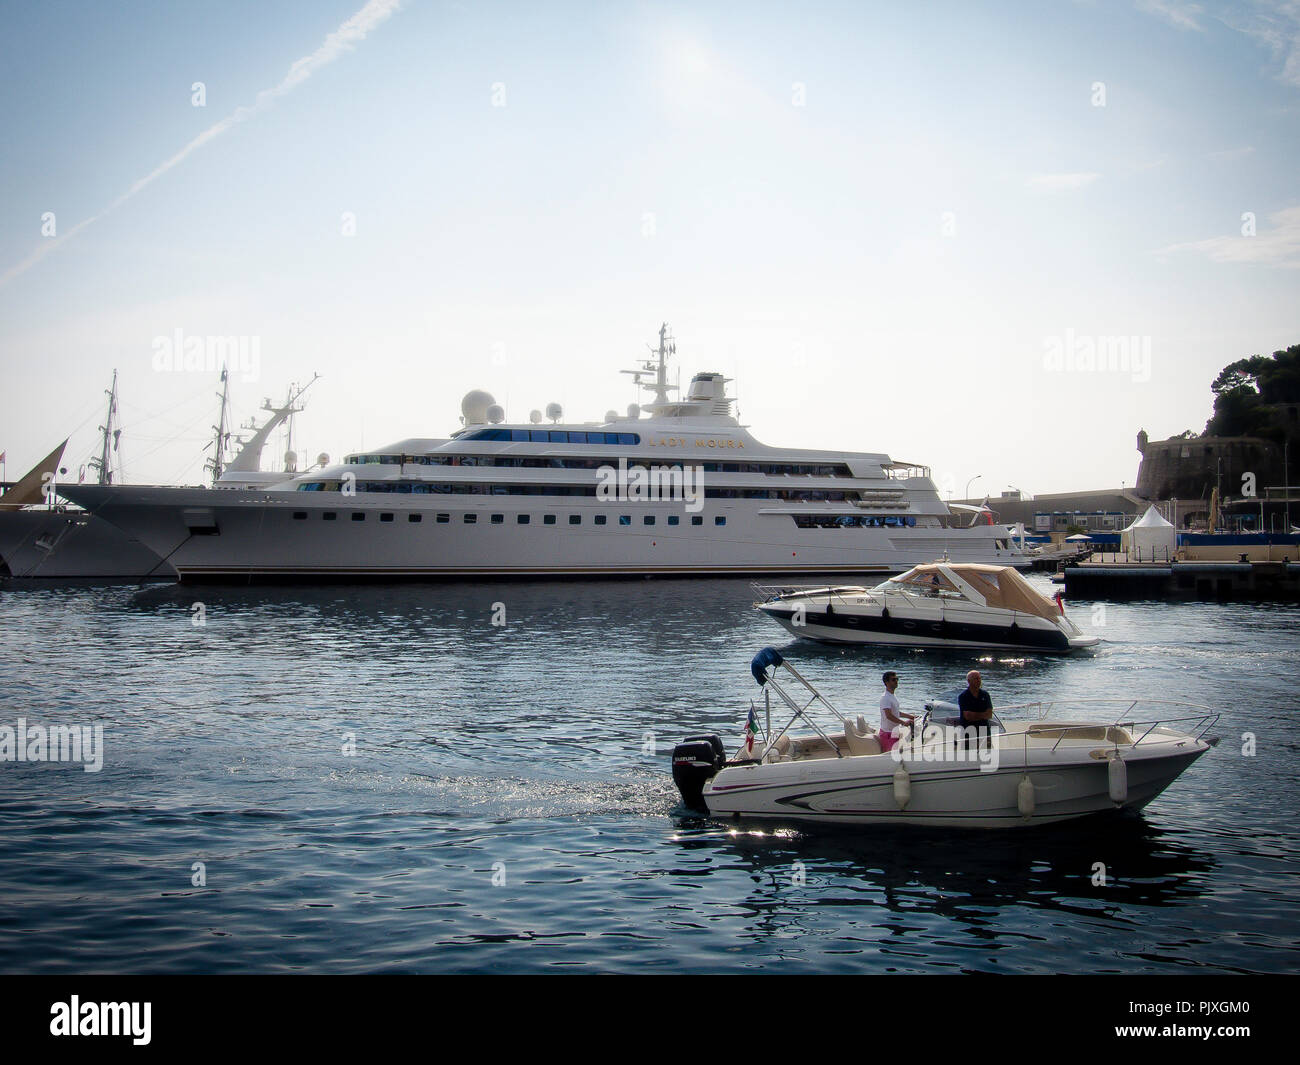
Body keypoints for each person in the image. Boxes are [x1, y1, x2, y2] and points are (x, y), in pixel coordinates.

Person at [878, 671, 915, 753]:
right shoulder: (885, 698)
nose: (896, 681)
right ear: (887, 682)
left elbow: (897, 712)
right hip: (888, 734)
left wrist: (911, 717)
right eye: (893, 679)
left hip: (893, 732)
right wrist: (903, 722)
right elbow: (889, 715)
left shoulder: (892, 696)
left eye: (897, 679)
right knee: (890, 758)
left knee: (896, 755)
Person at [957, 670, 993, 750]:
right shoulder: (963, 696)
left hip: (984, 730)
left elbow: (989, 714)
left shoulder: (985, 695)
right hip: (969, 731)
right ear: (969, 681)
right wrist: (983, 715)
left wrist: (975, 715)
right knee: (969, 757)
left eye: (979, 678)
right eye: (976, 679)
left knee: (987, 755)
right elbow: (968, 716)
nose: (979, 681)